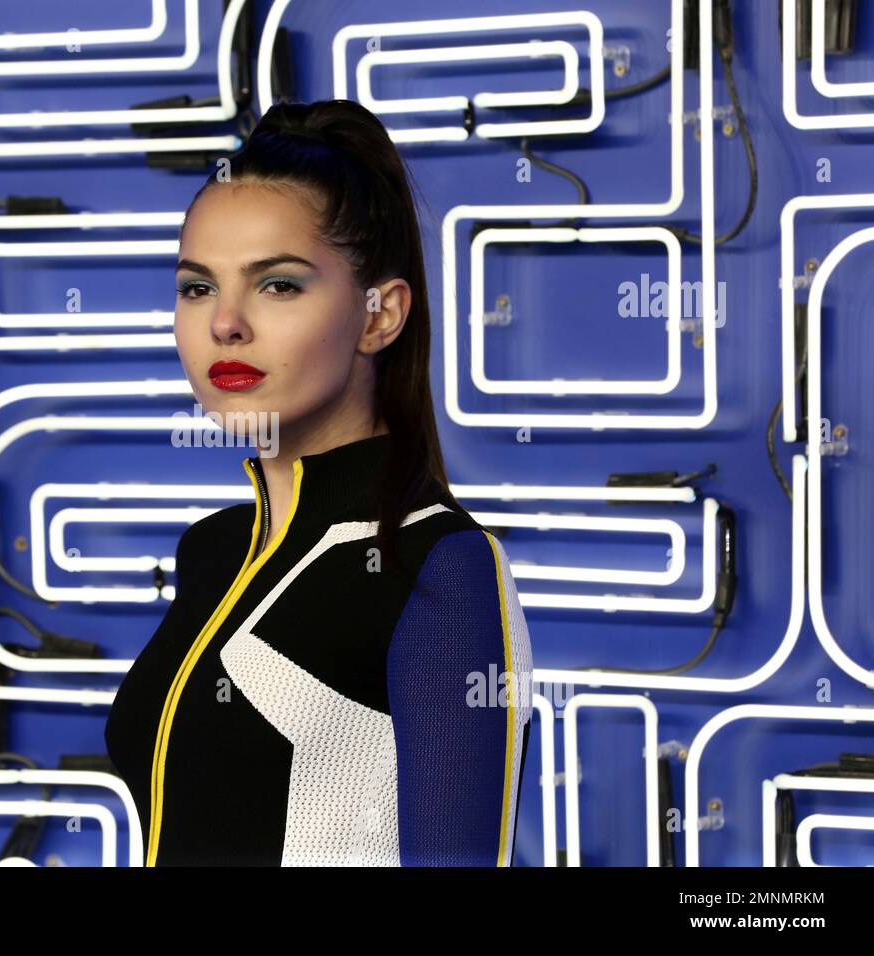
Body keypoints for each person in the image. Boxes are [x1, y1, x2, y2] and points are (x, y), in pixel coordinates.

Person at [104, 98, 534, 866]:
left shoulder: (440, 568)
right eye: (198, 287)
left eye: (278, 285)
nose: (225, 324)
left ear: (380, 315)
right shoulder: (211, 549)